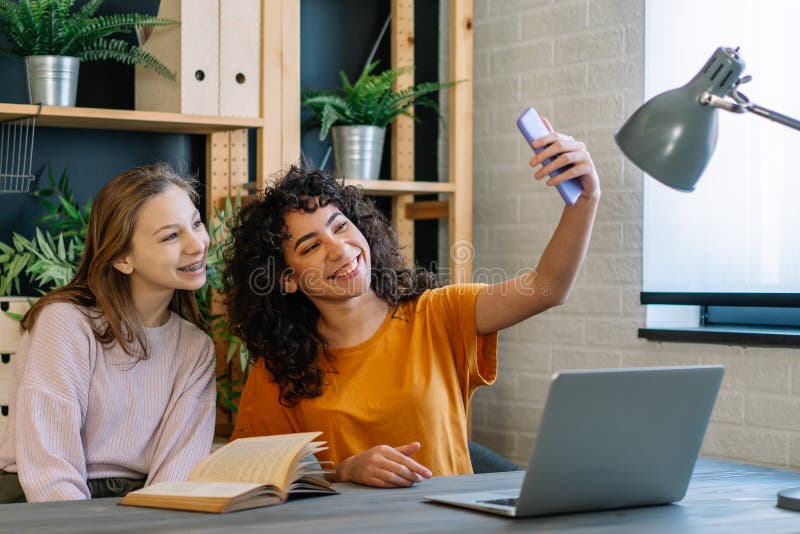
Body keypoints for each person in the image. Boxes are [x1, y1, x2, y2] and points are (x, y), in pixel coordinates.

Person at [224, 122, 600, 488]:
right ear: (286, 278)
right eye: (311, 246)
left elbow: (547, 288)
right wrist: (344, 471)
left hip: (451, 520)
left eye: (339, 226)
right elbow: (252, 475)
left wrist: (585, 199)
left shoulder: (439, 314)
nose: (338, 249)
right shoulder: (278, 366)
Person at [0, 164, 217, 503]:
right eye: (170, 236)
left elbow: (177, 477)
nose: (197, 244)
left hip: (141, 504)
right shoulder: (65, 323)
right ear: (121, 258)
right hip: (39, 502)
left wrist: (158, 522)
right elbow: (49, 474)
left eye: (196, 224)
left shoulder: (196, 347)